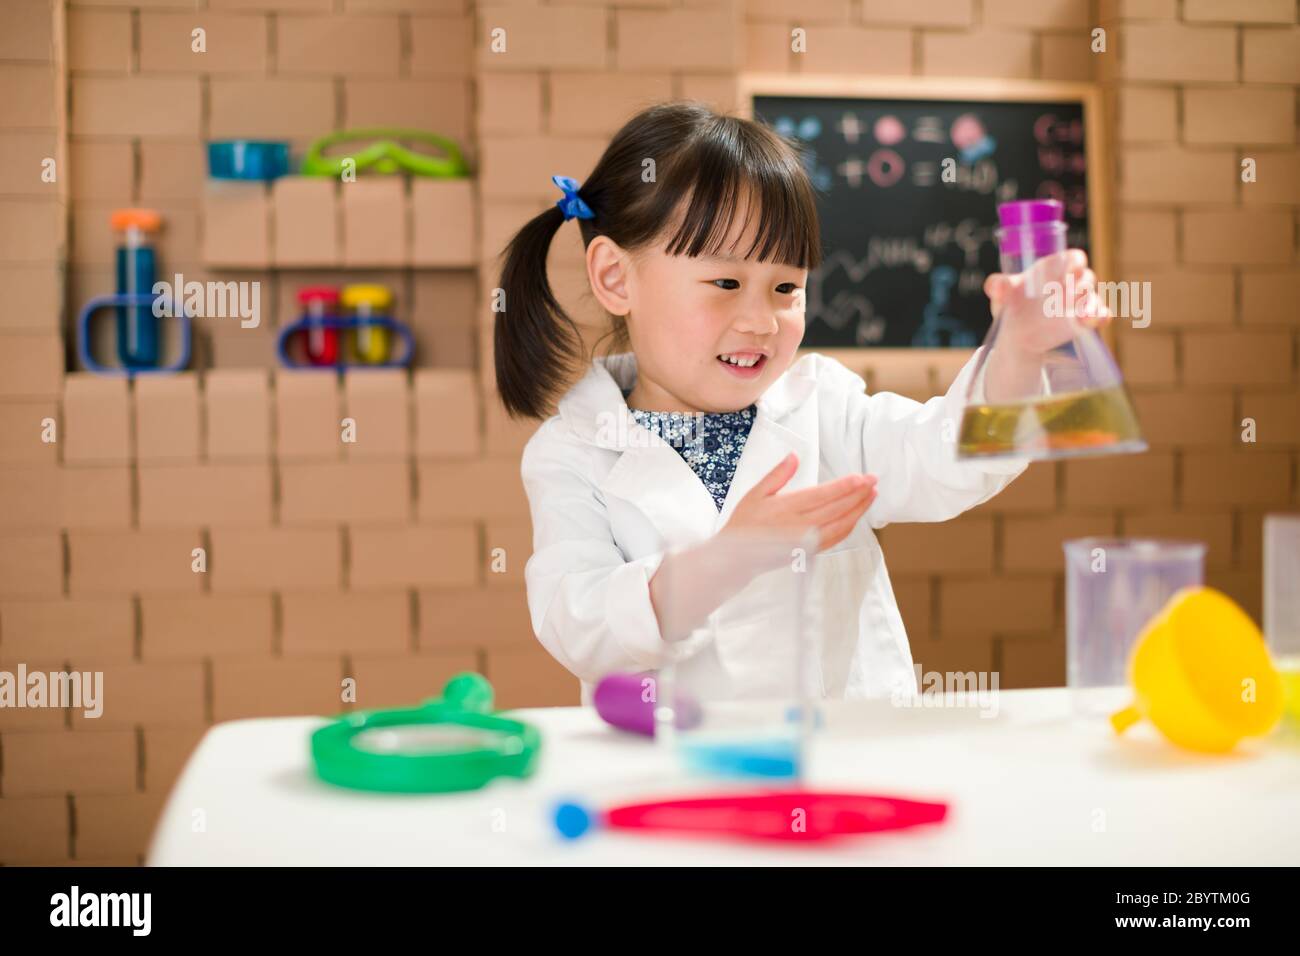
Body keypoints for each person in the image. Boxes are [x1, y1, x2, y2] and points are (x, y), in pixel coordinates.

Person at [493, 102, 1109, 704]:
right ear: (616, 277)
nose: (761, 320)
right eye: (726, 283)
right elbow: (577, 624)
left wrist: (1017, 354)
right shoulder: (572, 453)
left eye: (787, 287)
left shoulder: (825, 407)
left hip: (844, 761)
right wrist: (728, 559)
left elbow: (941, 458)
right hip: (679, 777)